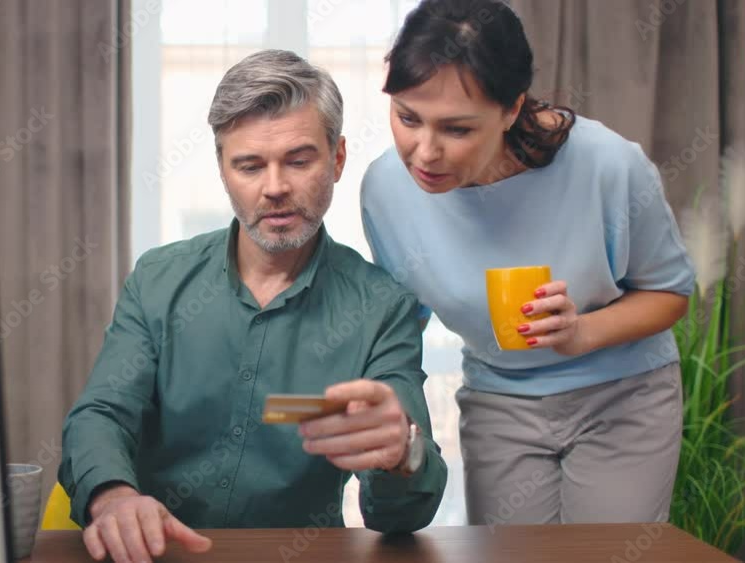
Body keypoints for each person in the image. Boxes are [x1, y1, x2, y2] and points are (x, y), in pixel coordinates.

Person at [60, 49, 448, 562]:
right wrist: (113, 498)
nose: (275, 188)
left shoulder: (382, 308)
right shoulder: (158, 280)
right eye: (249, 165)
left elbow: (399, 517)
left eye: (298, 160)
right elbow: (101, 415)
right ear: (222, 170)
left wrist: (404, 451)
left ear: (336, 159)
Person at [361, 0, 695, 527]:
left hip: (623, 399)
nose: (424, 153)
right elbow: (403, 318)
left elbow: (670, 292)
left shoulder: (608, 165)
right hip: (500, 399)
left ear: (512, 109)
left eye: (457, 129)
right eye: (408, 118)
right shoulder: (384, 190)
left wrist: (579, 332)